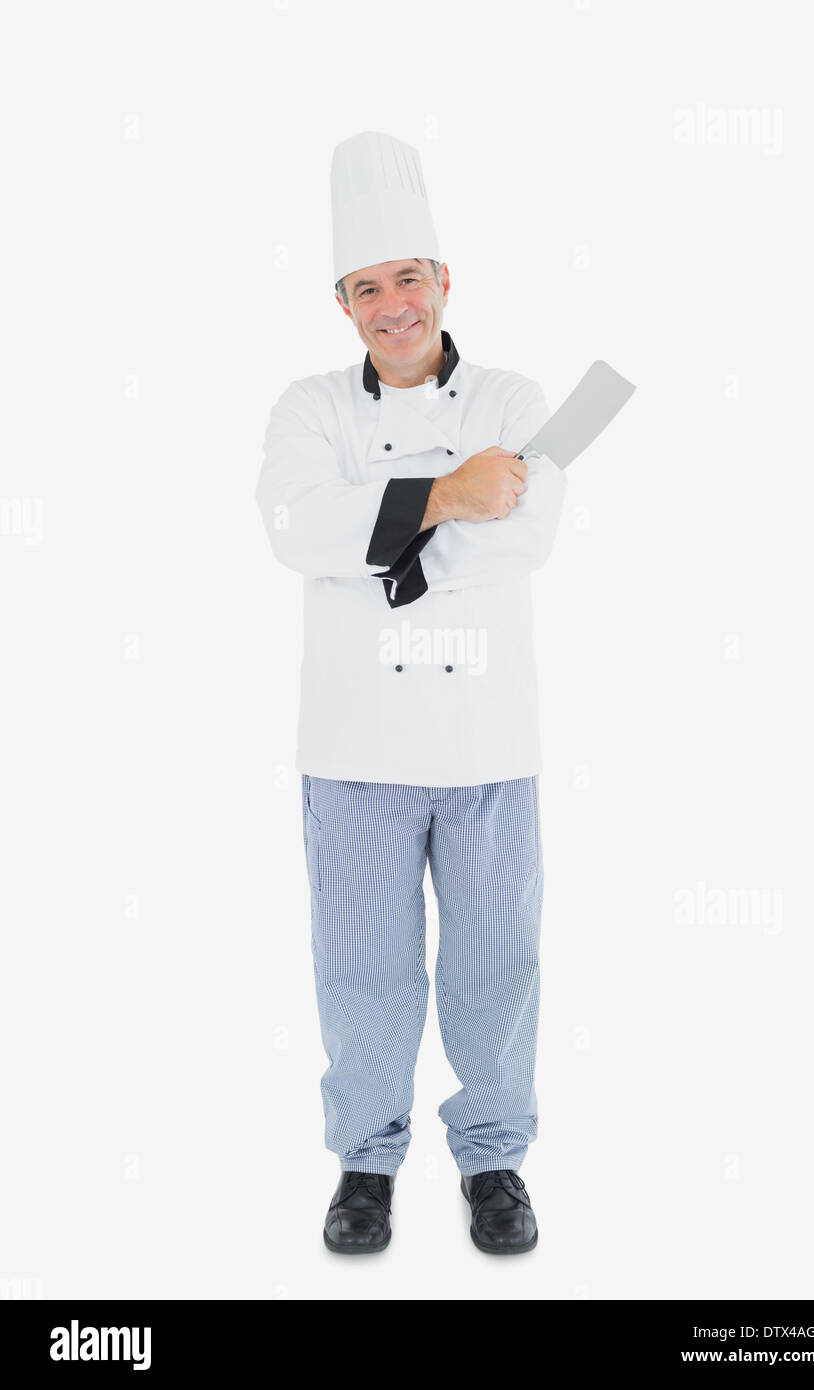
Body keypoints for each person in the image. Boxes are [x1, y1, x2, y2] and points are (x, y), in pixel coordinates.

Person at [256, 131, 566, 1255]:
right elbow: (295, 530)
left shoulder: (518, 395)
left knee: (498, 963)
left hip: (488, 738)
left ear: (445, 282)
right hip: (352, 741)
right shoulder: (306, 409)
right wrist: (449, 488)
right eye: (366, 287)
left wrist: (381, 537)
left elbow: (524, 536)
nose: (392, 305)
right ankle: (365, 1165)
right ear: (342, 303)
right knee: (362, 966)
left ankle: (491, 1162)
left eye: (408, 279)